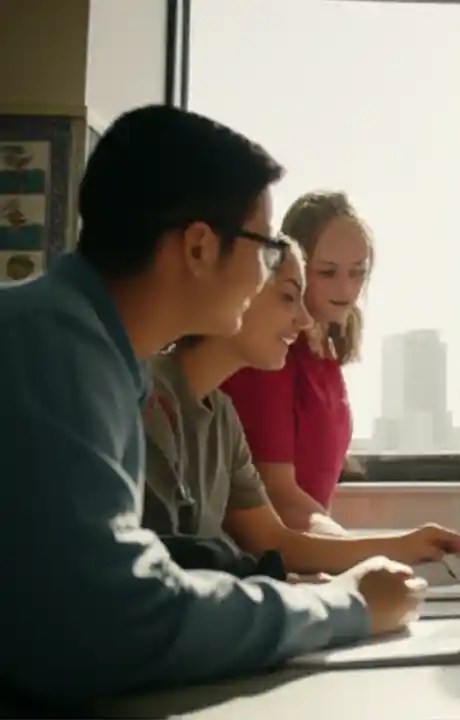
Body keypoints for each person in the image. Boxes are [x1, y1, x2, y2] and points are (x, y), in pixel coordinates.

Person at [0, 105, 422, 707]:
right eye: (267, 247)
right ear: (199, 246)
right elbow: (113, 621)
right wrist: (345, 605)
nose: (272, 271)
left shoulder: (91, 350)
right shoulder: (56, 352)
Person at [142, 237, 460, 575]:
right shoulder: (148, 397)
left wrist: (404, 546)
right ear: (240, 289)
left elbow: (273, 540)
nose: (303, 320)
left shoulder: (223, 415)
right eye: (288, 297)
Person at [222, 191, 371, 535]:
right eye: (328, 272)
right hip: (274, 549)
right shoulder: (272, 354)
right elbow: (280, 498)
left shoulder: (327, 353)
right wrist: (357, 551)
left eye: (358, 272)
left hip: (310, 544)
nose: (346, 288)